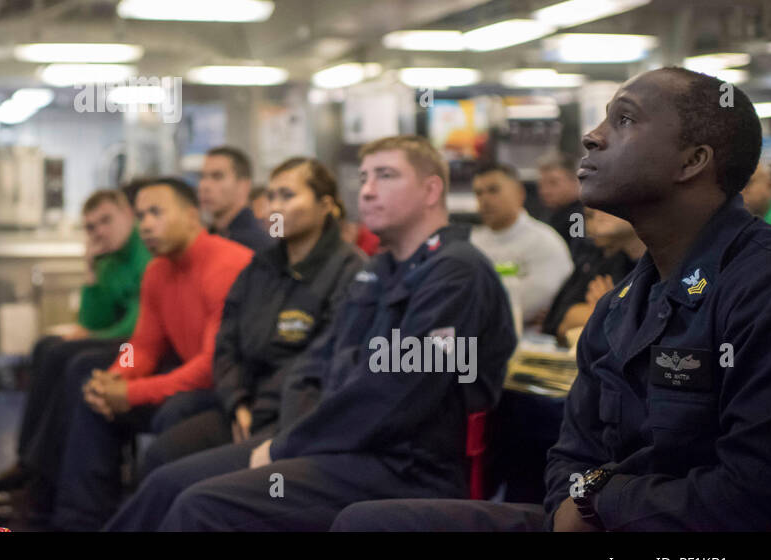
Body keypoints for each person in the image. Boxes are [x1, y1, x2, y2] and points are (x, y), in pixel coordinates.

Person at [333, 67, 771, 531]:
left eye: (624, 120)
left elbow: (754, 495)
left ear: (692, 161)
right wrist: (581, 500)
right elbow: (569, 457)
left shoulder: (761, 285)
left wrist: (598, 501)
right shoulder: (621, 304)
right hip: (593, 522)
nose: (592, 137)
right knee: (370, 523)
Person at [105, 135, 516, 531]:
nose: (368, 191)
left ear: (431, 191)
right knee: (168, 482)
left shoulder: (456, 272)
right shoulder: (379, 270)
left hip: (405, 466)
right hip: (340, 446)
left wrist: (288, 446)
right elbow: (316, 362)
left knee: (202, 504)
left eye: (386, 176)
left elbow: (399, 392)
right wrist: (290, 436)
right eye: (363, 178)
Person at [135, 157, 367, 477]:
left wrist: (266, 418)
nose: (275, 206)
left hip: (295, 419)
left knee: (184, 483)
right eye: (271, 196)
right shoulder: (261, 267)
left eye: (288, 195)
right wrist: (237, 401)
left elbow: (321, 364)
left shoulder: (350, 271)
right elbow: (226, 343)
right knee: (162, 456)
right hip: (245, 407)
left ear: (325, 205)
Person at [44, 178, 253, 531]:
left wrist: (132, 393)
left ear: (191, 216)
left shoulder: (226, 265)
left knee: (173, 412)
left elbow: (211, 366)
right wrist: (115, 376)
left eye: (156, 212)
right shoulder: (157, 271)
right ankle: (78, 522)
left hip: (231, 390)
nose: (146, 225)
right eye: (141, 215)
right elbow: (142, 347)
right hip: (193, 378)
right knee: (94, 398)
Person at [0, 189, 150, 503]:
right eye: (90, 227)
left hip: (139, 347)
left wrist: (89, 336)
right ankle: (28, 460)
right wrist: (90, 269)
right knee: (46, 347)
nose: (100, 231)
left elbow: (138, 324)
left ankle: (39, 469)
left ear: (128, 214)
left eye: (106, 220)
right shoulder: (109, 259)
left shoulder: (145, 252)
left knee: (68, 353)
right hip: (121, 340)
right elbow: (94, 318)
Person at [470, 162, 573, 336]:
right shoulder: (471, 244)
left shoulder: (545, 243)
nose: (485, 199)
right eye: (479, 193)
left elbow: (528, 306)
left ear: (519, 194)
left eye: (493, 190)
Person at [540, 208, 645, 345]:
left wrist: (606, 312)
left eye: (606, 207)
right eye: (589, 216)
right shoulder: (608, 259)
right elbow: (561, 323)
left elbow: (643, 332)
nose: (594, 221)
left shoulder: (669, 267)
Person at [199, 146, 274, 251]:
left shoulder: (259, 245)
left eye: (217, 176)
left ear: (244, 185)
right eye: (202, 177)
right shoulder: (204, 238)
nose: (204, 186)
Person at [536, 151, 590, 258]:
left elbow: (576, 254)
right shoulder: (550, 213)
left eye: (553, 183)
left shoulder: (577, 217)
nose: (545, 191)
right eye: (541, 184)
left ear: (575, 181)